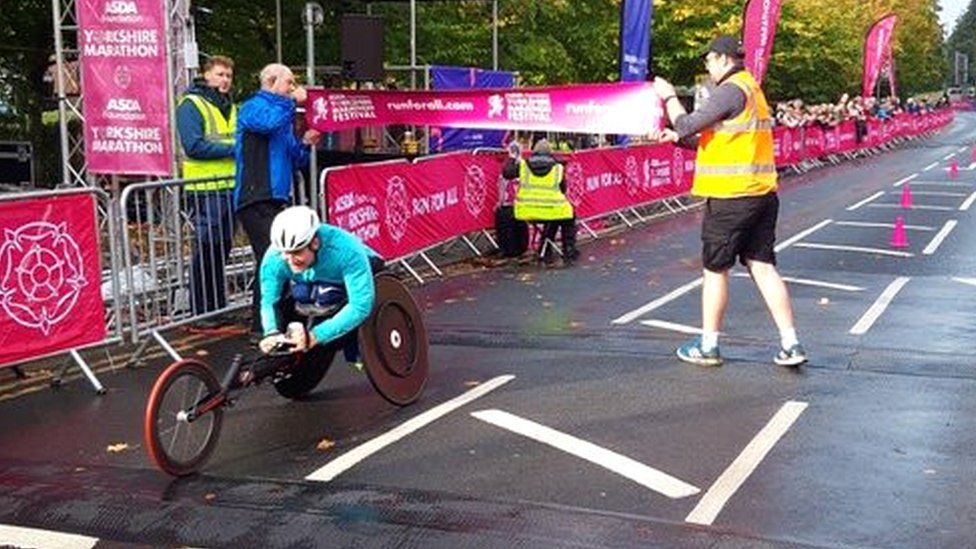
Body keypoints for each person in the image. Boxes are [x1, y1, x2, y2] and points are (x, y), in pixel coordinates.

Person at [652, 35, 807, 367]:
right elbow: (714, 139)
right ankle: (791, 343)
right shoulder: (751, 88)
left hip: (730, 197)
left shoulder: (730, 89)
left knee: (715, 270)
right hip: (762, 193)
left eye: (708, 59)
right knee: (763, 266)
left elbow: (686, 122)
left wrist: (668, 97)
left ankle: (708, 346)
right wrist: (677, 140)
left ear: (724, 59)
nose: (706, 66)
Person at [235, 63, 322, 343]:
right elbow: (267, 123)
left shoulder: (281, 116)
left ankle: (278, 322)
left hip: (276, 196)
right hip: (255, 194)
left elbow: (292, 156)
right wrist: (291, 103)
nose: (293, 88)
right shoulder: (253, 108)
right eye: (289, 83)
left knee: (277, 258)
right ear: (272, 82)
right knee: (272, 258)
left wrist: (305, 143)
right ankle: (263, 326)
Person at [257, 206, 384, 371]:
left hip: (360, 271)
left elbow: (360, 306)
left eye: (296, 252)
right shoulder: (274, 258)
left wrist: (316, 336)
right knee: (301, 296)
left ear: (314, 243)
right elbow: (268, 301)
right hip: (314, 281)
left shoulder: (347, 251)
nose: (289, 260)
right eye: (285, 253)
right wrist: (271, 332)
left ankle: (353, 351)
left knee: (333, 313)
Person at [176, 55, 236, 327]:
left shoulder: (229, 106)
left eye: (228, 76)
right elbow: (194, 146)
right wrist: (233, 150)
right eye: (220, 74)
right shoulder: (192, 104)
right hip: (204, 188)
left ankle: (217, 307)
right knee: (205, 249)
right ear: (206, 75)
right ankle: (201, 310)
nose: (225, 80)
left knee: (221, 249)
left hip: (228, 186)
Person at [502, 139, 580, 266]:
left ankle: (545, 248)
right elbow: (563, 189)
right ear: (550, 153)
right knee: (566, 217)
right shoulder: (558, 168)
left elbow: (507, 173)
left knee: (554, 217)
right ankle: (568, 249)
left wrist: (512, 157)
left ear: (534, 151)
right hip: (552, 209)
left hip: (525, 211)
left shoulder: (523, 165)